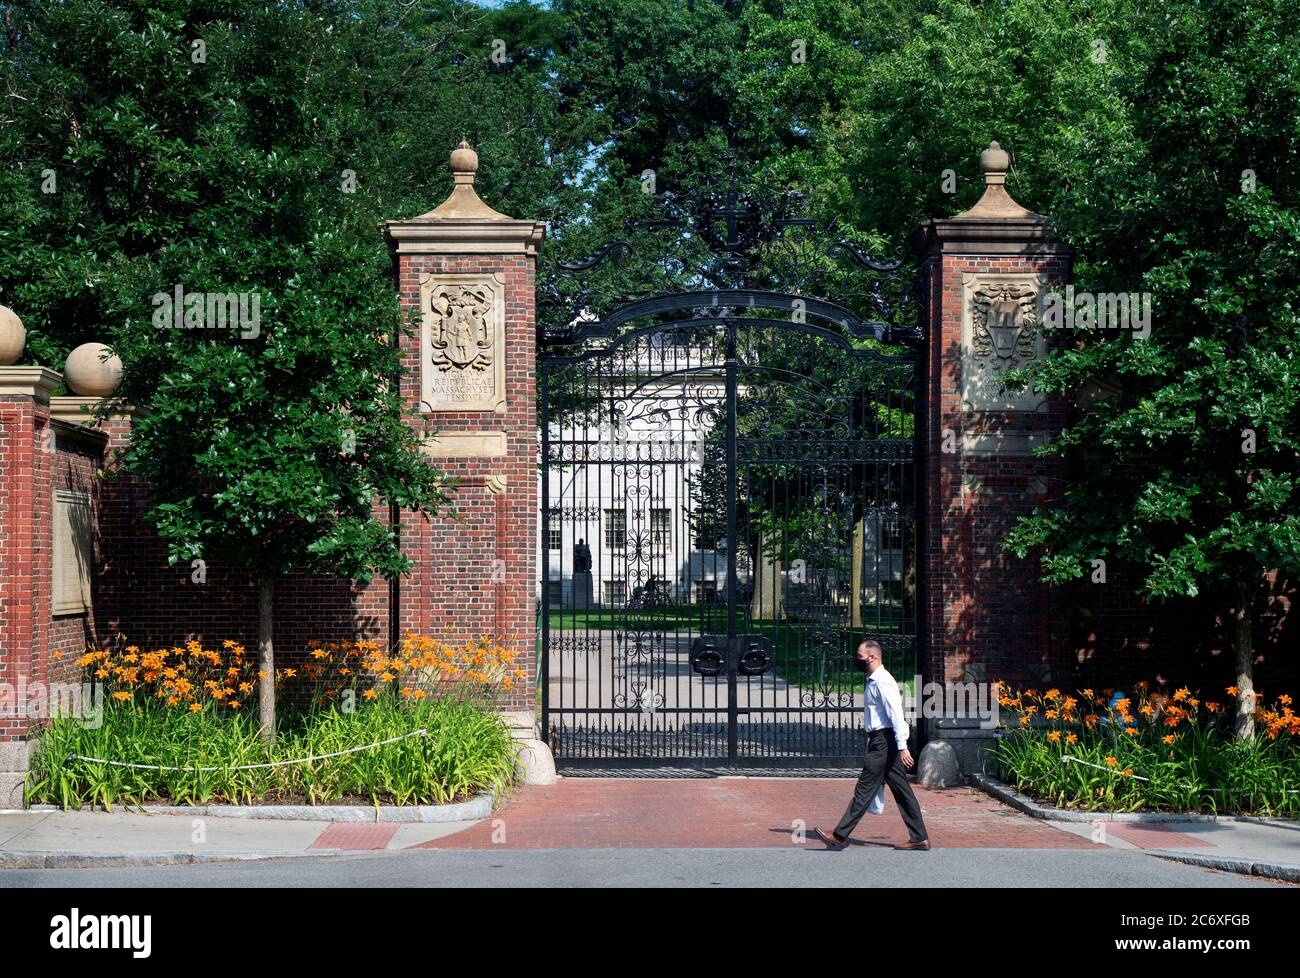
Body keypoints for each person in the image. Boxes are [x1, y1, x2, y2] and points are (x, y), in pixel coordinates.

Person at [814, 640, 931, 851]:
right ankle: (919, 837)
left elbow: (896, 714)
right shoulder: (873, 680)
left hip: (885, 743)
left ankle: (839, 836)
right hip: (881, 741)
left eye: (860, 657)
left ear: (873, 657)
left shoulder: (883, 681)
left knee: (864, 788)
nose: (857, 660)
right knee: (902, 791)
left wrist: (902, 745)